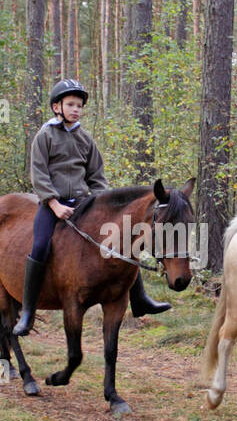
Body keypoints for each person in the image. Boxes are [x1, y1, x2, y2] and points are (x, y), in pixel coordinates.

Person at [12, 79, 171, 336]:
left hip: (84, 202)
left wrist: (103, 203)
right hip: (52, 203)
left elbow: (96, 175)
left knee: (122, 239)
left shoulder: (85, 138)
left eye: (79, 105)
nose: (76, 109)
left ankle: (140, 298)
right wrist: (53, 204)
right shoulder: (45, 136)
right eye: (70, 104)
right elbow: (39, 175)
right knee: (40, 245)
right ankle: (28, 310)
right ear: (56, 107)